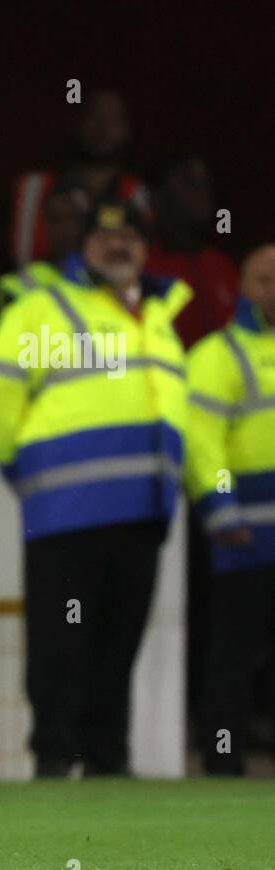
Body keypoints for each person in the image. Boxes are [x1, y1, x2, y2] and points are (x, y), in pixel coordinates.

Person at [0, 197, 191, 778]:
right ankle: (52, 758)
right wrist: (21, 468)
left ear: (146, 250)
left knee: (118, 648)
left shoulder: (159, 316)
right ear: (82, 245)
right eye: (104, 237)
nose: (118, 247)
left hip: (144, 511)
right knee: (58, 642)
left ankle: (107, 764)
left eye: (130, 239)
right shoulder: (42, 307)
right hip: (65, 509)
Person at [184, 244, 275, 774]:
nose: (273, 288)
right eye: (264, 278)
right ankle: (224, 767)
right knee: (233, 657)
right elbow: (203, 442)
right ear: (243, 286)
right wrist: (222, 513)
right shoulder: (217, 356)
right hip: (246, 534)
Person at [10, 89, 147, 268]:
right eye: (94, 116)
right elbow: (20, 258)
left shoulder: (136, 193)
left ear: (127, 129)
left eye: (113, 119)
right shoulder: (32, 187)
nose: (102, 128)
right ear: (76, 121)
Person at [146, 154, 239, 348]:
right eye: (190, 183)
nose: (201, 193)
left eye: (205, 184)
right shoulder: (144, 267)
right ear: (159, 194)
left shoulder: (221, 265)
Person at [0, 182, 87, 314]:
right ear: (45, 225)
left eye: (75, 218)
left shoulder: (110, 281)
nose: (67, 229)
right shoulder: (15, 286)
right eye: (56, 219)